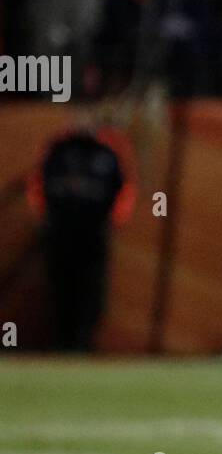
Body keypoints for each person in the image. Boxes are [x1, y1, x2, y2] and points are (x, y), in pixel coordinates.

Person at [28, 125, 135, 351]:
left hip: (94, 234)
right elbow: (38, 183)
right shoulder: (58, 149)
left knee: (92, 291)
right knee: (62, 288)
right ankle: (63, 341)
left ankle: (84, 341)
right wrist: (46, 218)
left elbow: (125, 188)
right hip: (60, 232)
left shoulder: (108, 152)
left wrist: (113, 222)